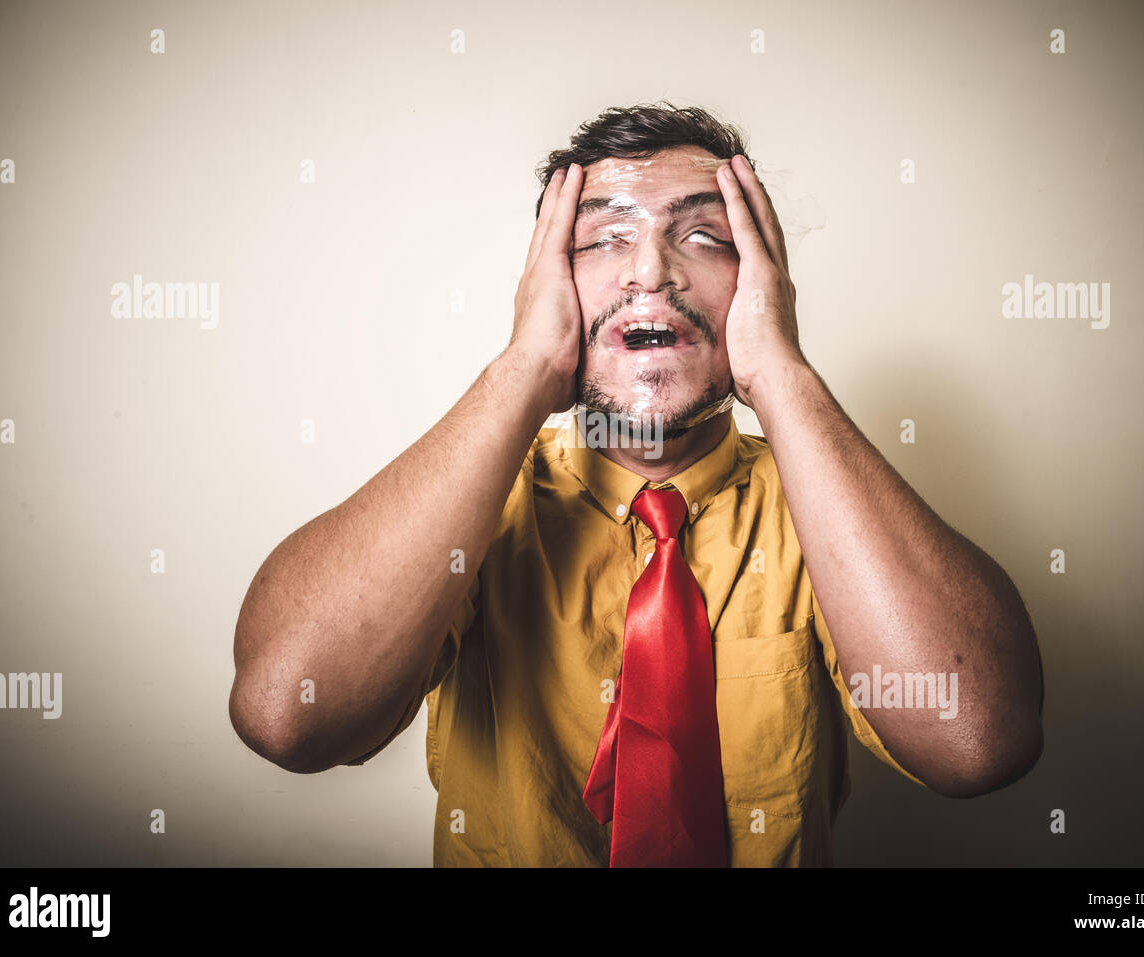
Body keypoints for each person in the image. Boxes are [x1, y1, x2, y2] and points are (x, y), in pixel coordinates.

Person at [229, 102, 1044, 867]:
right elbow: (287, 717)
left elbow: (981, 742)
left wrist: (783, 371)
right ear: (548, 281)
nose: (651, 271)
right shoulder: (478, 510)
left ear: (760, 282)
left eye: (702, 236)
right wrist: (522, 367)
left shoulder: (825, 512)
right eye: (605, 239)